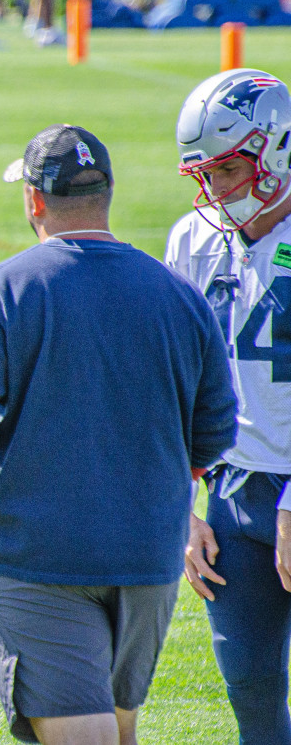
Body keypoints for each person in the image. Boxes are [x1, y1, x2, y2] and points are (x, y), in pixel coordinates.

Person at [0, 124, 238, 743]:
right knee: (119, 730)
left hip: (39, 557)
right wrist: (157, 490)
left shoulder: (2, 291)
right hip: (146, 557)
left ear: (34, 201)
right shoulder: (177, 293)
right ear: (106, 195)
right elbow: (215, 427)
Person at [168, 69, 291, 745]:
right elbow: (173, 384)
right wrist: (178, 506)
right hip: (235, 492)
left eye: (227, 170)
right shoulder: (190, 240)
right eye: (203, 175)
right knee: (251, 692)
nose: (214, 192)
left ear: (274, 151)